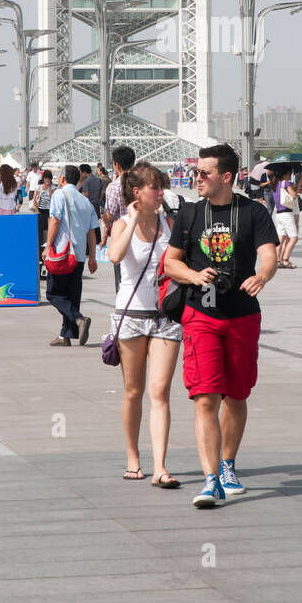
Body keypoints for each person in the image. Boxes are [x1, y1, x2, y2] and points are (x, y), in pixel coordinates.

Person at [164, 143, 278, 508]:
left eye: (204, 173)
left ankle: (228, 464)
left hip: (243, 315)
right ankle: (211, 479)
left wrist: (262, 274)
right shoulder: (190, 214)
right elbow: (170, 263)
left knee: (238, 394)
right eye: (196, 172)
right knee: (206, 396)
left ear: (226, 177)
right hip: (202, 315)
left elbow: (269, 254)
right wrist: (195, 276)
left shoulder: (253, 212)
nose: (196, 178)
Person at [107, 163, 181, 486]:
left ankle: (161, 466)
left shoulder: (170, 224)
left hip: (165, 316)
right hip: (131, 316)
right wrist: (134, 217)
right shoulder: (122, 224)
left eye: (162, 186)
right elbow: (113, 256)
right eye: (155, 187)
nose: (161, 192)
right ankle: (133, 457)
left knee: (160, 391)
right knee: (133, 391)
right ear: (137, 193)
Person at [45, 167, 98, 347]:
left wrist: (48, 246)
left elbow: (54, 220)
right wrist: (93, 257)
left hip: (63, 253)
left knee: (53, 293)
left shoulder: (59, 195)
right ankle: (65, 335)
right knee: (72, 295)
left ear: (62, 179)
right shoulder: (86, 201)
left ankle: (78, 319)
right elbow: (92, 231)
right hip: (80, 255)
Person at [102, 146, 136, 293]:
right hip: (143, 234)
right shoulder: (143, 182)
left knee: (122, 279)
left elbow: (109, 216)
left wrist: (106, 222)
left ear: (117, 164)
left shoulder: (114, 186)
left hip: (121, 237)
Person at [271, 166, 299, 268]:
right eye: (289, 174)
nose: (290, 176)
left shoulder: (274, 184)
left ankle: (277, 260)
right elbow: (294, 195)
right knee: (294, 238)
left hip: (278, 214)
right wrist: (297, 186)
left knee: (281, 238)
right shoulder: (285, 183)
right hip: (287, 213)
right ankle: (285, 260)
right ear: (285, 175)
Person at [31, 169, 54, 259]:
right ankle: (40, 250)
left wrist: (50, 190)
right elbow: (34, 199)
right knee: (40, 231)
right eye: (45, 179)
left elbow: (54, 200)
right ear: (43, 179)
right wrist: (37, 210)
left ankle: (48, 249)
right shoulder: (39, 187)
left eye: (48, 179)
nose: (47, 181)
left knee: (49, 232)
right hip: (40, 211)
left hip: (49, 212)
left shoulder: (53, 188)